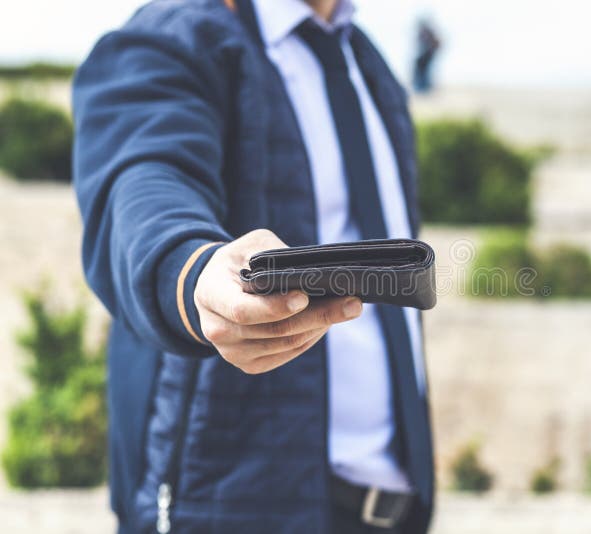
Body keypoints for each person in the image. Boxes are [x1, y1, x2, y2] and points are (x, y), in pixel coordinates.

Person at [71, 0, 434, 532]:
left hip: (392, 510)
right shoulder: (170, 38)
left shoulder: (366, 61)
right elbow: (143, 186)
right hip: (229, 506)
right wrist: (195, 271)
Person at [412, 17, 441, 94]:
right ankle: (422, 87)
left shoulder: (427, 32)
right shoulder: (427, 32)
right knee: (422, 69)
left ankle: (424, 88)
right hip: (426, 55)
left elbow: (436, 43)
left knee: (424, 70)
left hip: (428, 55)